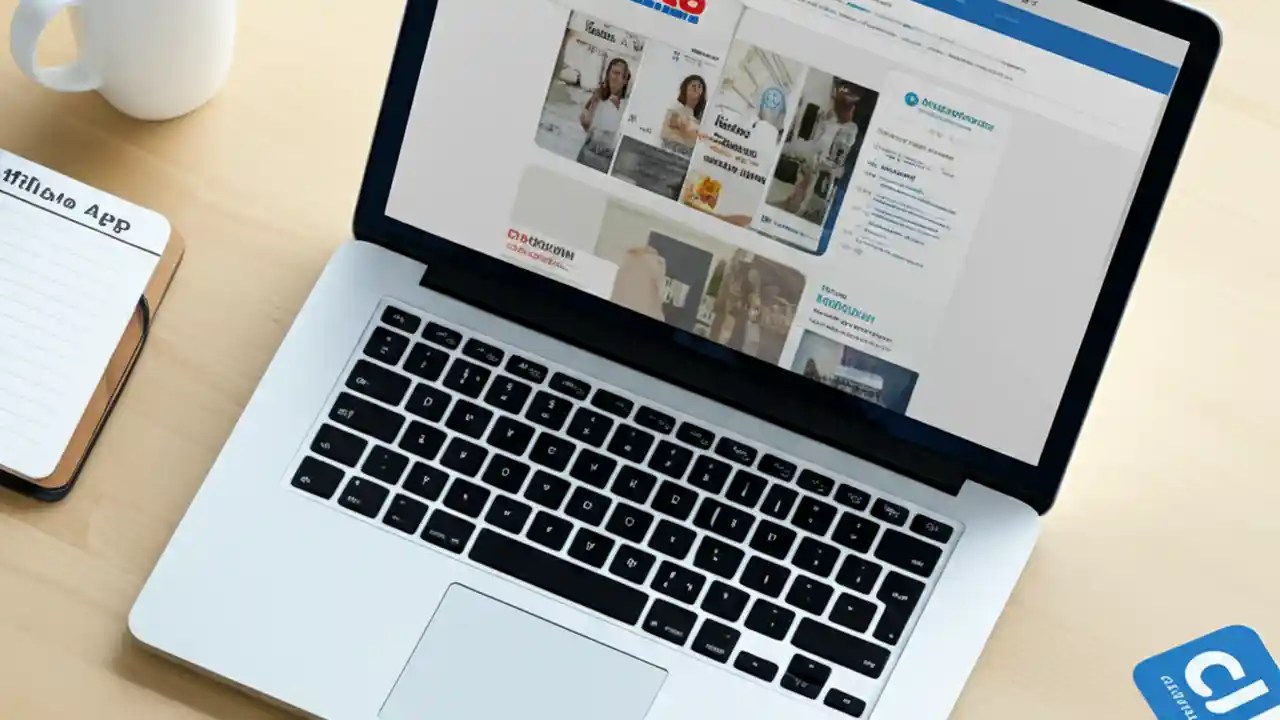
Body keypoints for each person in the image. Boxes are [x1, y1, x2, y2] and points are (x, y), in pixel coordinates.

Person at [782, 77, 862, 220]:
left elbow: (843, 147)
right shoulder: (830, 118)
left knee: (811, 175)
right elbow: (819, 134)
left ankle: (802, 205)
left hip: (827, 157)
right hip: (817, 151)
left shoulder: (850, 127)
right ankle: (797, 200)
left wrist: (832, 158)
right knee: (806, 173)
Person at [578, 57, 631, 173]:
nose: (613, 77)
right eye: (611, 73)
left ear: (625, 79)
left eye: (618, 74)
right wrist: (595, 102)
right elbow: (585, 124)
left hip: (608, 159)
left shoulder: (628, 105)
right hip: (590, 153)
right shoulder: (598, 96)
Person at [661, 74, 706, 156]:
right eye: (693, 86)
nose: (696, 89)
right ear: (685, 88)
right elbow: (681, 131)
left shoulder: (702, 115)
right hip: (670, 151)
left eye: (699, 86)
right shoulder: (676, 107)